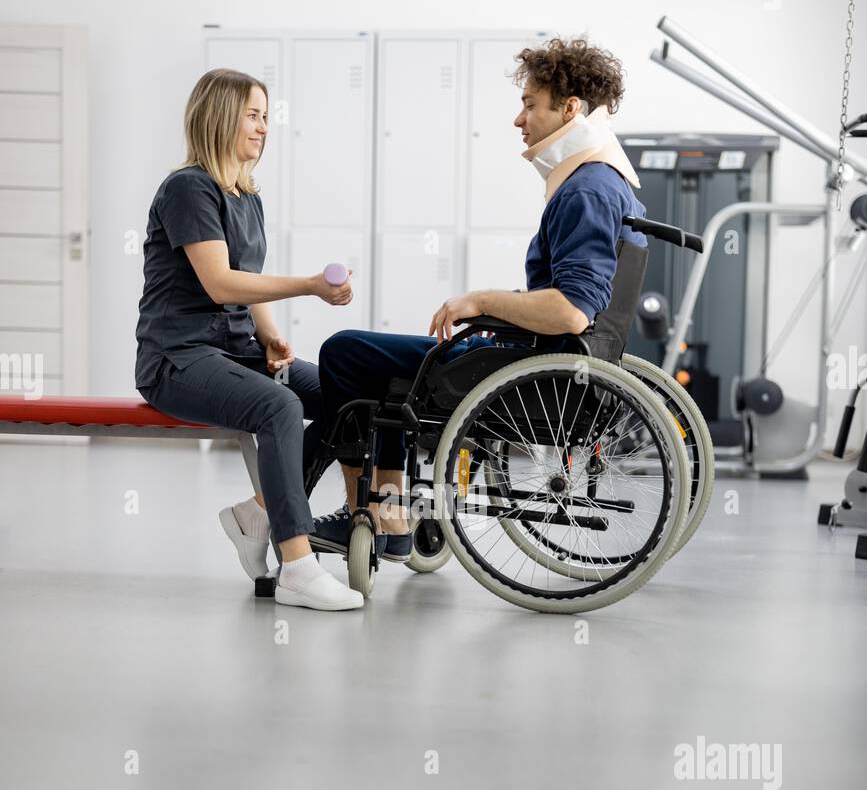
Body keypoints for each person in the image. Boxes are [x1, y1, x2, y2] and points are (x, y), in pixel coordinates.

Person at [312, 36, 648, 562]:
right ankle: (388, 506)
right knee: (396, 367)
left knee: (344, 352)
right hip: (550, 364)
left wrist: (479, 301)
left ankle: (378, 511)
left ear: (571, 109)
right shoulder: (612, 183)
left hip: (531, 372)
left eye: (530, 104)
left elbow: (571, 309)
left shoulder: (586, 190)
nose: (519, 119)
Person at [134, 67, 363, 611]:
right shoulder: (188, 188)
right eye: (253, 116)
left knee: (347, 397)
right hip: (177, 359)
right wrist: (309, 286)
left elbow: (248, 277)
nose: (264, 128)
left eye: (267, 116)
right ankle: (298, 567)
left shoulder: (247, 194)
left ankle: (258, 512)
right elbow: (220, 282)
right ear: (220, 118)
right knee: (280, 407)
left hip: (235, 349)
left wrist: (271, 335)